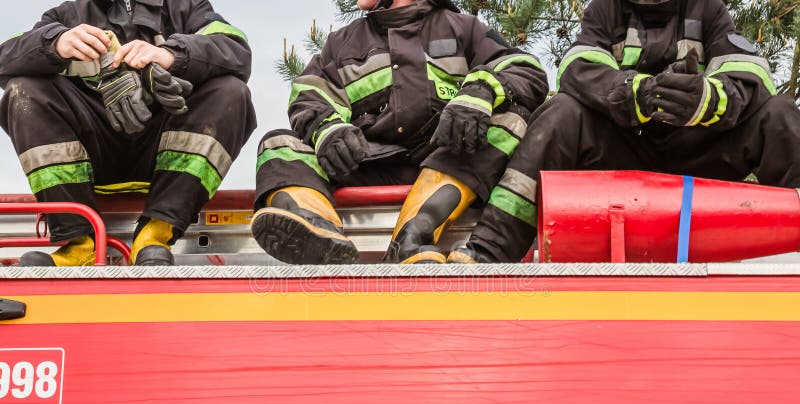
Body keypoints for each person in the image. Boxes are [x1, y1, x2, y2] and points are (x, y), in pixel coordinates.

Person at [449, 0, 800, 264]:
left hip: (699, 153)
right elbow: (576, 70)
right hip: (625, 150)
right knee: (561, 113)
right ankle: (489, 251)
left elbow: (751, 76)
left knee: (779, 113)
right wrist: (638, 93)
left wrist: (706, 100)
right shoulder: (605, 9)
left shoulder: (707, 8)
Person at [252, 0, 548, 265]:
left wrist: (481, 90)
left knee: (511, 118)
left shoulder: (464, 29)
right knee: (278, 144)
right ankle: (320, 234)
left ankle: (412, 237)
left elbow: (524, 69)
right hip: (366, 163)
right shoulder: (342, 43)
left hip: (451, 164)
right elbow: (309, 94)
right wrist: (329, 128)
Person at [0, 0, 256, 266]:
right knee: (23, 90)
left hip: (164, 158)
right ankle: (78, 244)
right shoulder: (67, 14)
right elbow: (5, 57)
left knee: (230, 91)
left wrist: (171, 56)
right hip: (92, 156)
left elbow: (235, 49)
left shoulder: (187, 7)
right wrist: (55, 43)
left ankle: (155, 234)